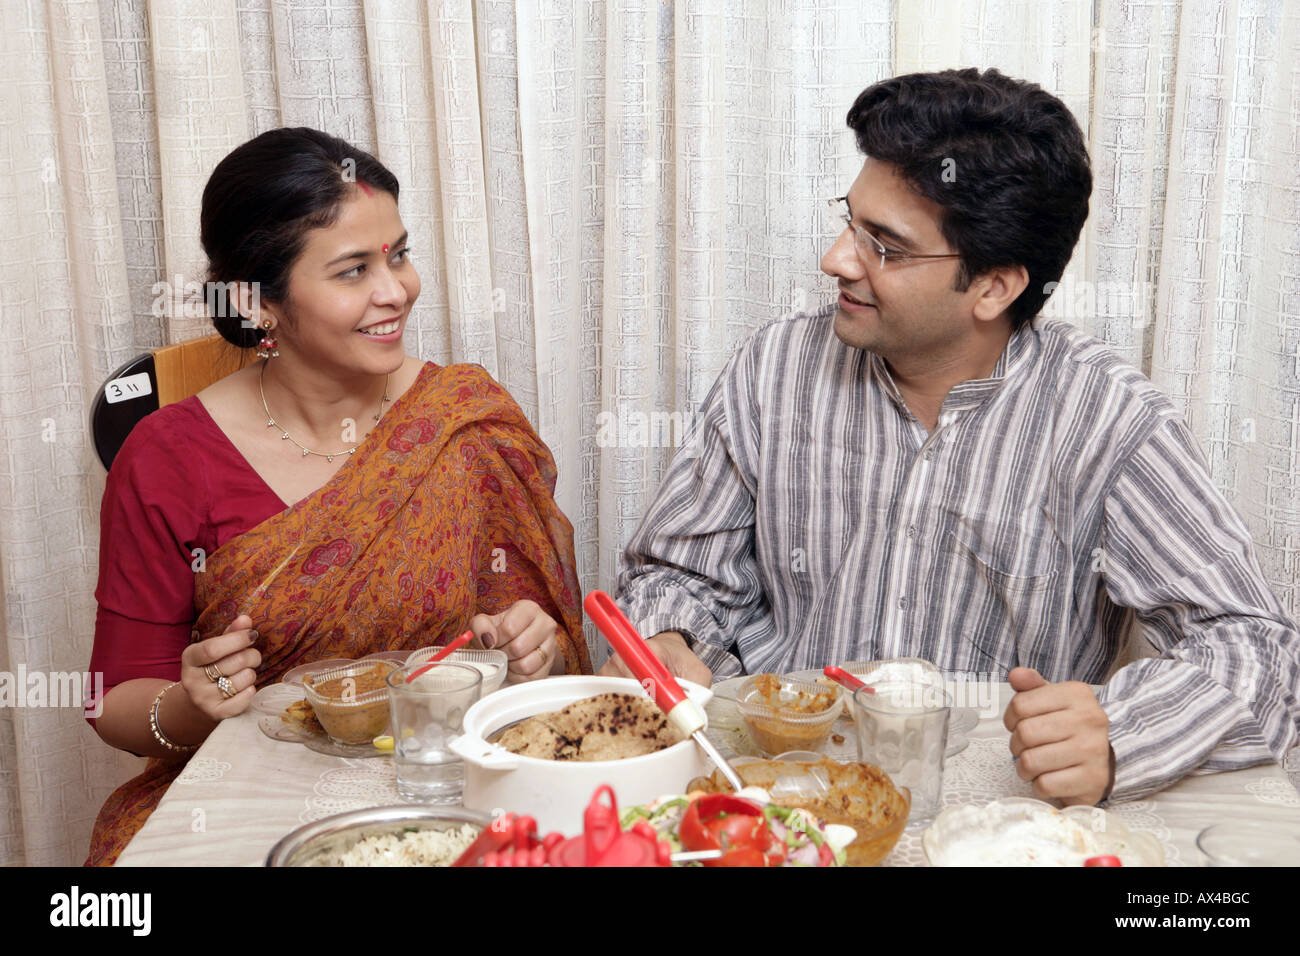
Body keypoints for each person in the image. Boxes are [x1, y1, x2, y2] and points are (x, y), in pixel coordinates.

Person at [605, 69, 1300, 808]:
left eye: (887, 247)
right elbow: (677, 574)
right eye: (851, 220)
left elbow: (1258, 649)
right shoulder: (775, 368)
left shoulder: (1108, 420)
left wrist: (1121, 734)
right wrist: (673, 641)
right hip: (783, 793)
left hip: (999, 815)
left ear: (994, 287)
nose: (837, 259)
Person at [85, 128, 590, 865]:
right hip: (243, 799)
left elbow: (543, 663)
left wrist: (530, 645)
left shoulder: (464, 421)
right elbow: (116, 702)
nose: (396, 292)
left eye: (399, 254)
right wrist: (190, 705)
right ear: (259, 305)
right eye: (353, 270)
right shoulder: (167, 457)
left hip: (447, 789)